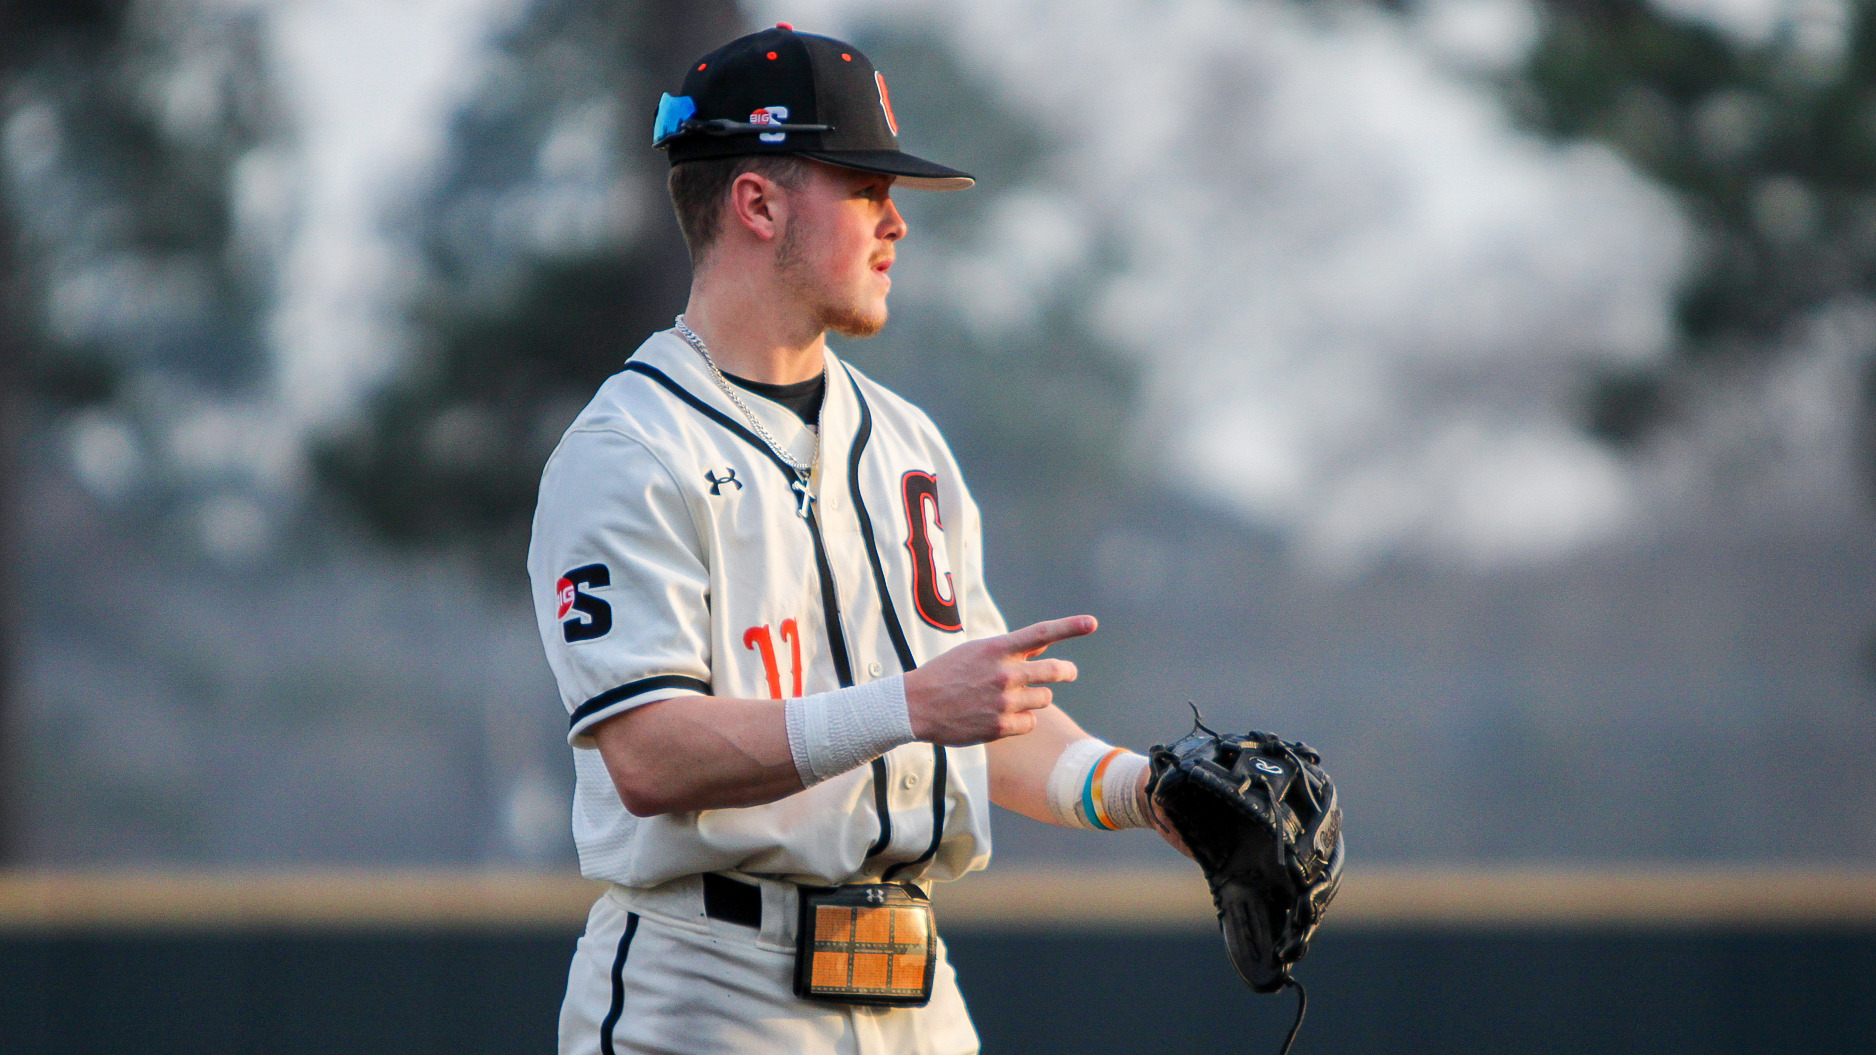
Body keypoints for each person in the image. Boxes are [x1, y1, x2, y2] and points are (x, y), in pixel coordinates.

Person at [528, 24, 1183, 1055]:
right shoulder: (629, 446)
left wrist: (1143, 789)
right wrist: (912, 703)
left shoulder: (907, 441)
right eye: (866, 188)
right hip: (708, 988)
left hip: (915, 988)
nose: (896, 225)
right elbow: (648, 752)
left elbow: (981, 706)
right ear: (757, 203)